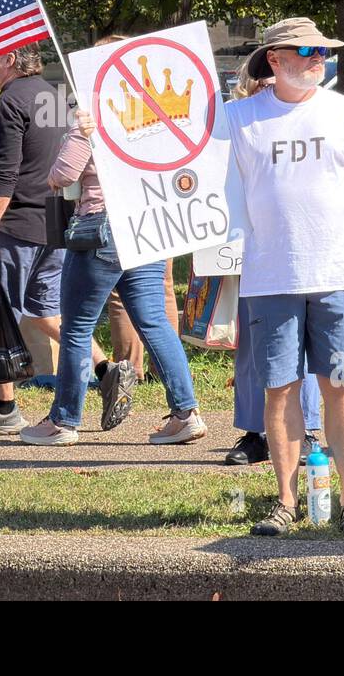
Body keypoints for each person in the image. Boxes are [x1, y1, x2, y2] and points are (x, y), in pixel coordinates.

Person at [227, 18, 344, 536]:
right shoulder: (238, 118)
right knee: (279, 389)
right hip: (268, 277)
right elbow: (172, 153)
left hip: (336, 275)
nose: (318, 58)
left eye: (323, 51)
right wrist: (95, 130)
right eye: (305, 50)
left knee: (339, 385)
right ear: (274, 58)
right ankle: (285, 500)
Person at [0, 43, 132, 435]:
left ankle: (4, 408)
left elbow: (3, 175)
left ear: (10, 60)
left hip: (14, 224)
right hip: (54, 222)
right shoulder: (58, 99)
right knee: (45, 308)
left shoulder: (7, 105)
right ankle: (106, 372)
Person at [20, 98, 207, 446]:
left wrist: (79, 134)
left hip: (101, 229)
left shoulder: (93, 124)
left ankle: (63, 420)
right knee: (153, 321)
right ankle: (186, 413)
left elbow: (61, 177)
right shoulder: (157, 125)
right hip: (148, 227)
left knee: (76, 327)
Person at [223, 63, 325, 467]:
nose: (270, 90)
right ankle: (254, 433)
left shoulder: (312, 117)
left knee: (308, 348)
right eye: (262, 85)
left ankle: (310, 429)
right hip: (253, 254)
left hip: (309, 251)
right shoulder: (236, 126)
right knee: (252, 350)